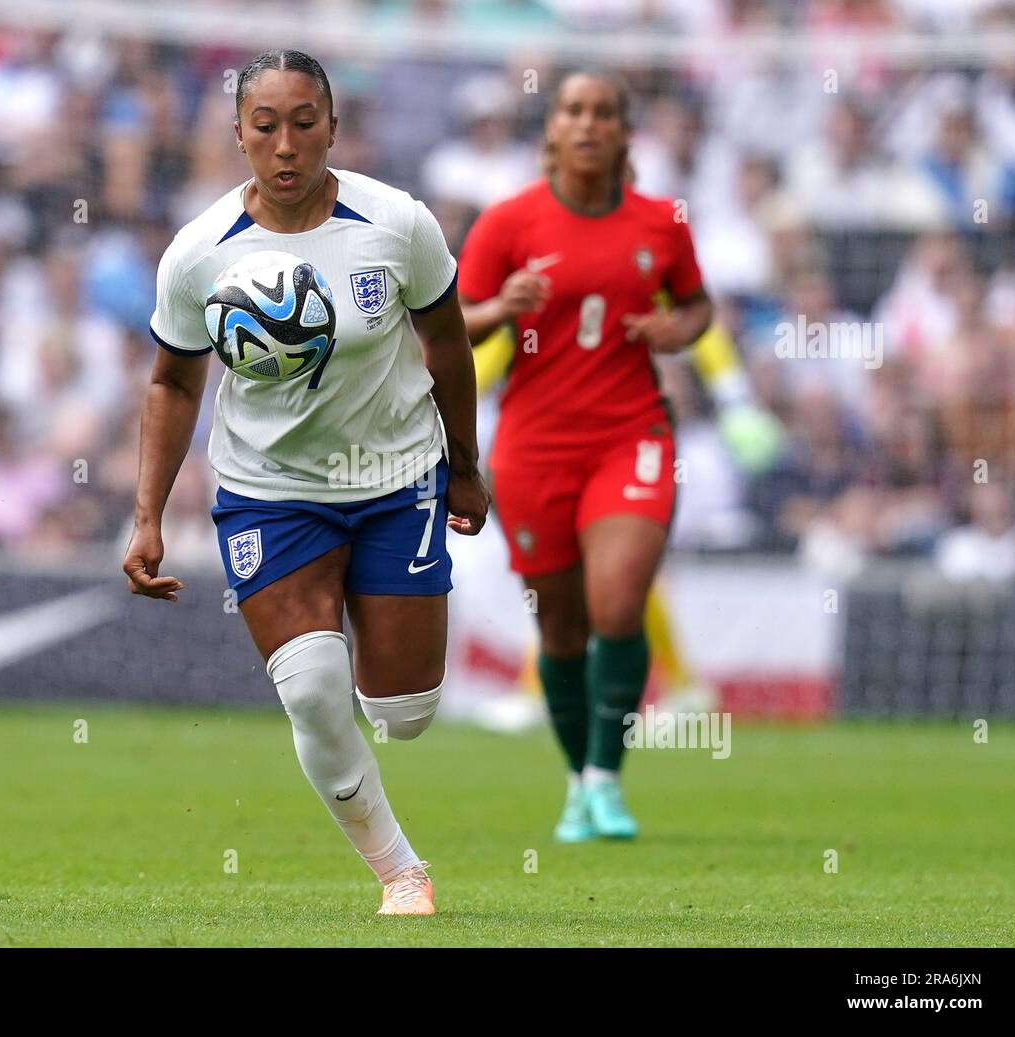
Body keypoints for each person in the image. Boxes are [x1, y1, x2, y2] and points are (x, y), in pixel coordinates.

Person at [122, 50, 489, 915]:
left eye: (303, 123)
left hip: (397, 479)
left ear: (333, 126)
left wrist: (464, 467)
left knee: (405, 712)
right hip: (270, 491)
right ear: (238, 134)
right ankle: (401, 870)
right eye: (265, 126)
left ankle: (373, 664)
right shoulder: (198, 254)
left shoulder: (397, 223)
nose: (285, 145)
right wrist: (145, 515)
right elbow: (173, 384)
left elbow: (448, 343)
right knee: (316, 693)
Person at [457, 70, 712, 842]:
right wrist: (503, 308)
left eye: (605, 112)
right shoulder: (508, 223)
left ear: (626, 133)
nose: (590, 124)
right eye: (574, 111)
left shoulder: (662, 223)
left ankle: (606, 777)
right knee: (563, 632)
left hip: (630, 434)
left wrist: (682, 329)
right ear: (553, 133)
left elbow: (698, 302)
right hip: (533, 449)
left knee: (618, 603)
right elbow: (451, 326)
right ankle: (578, 783)